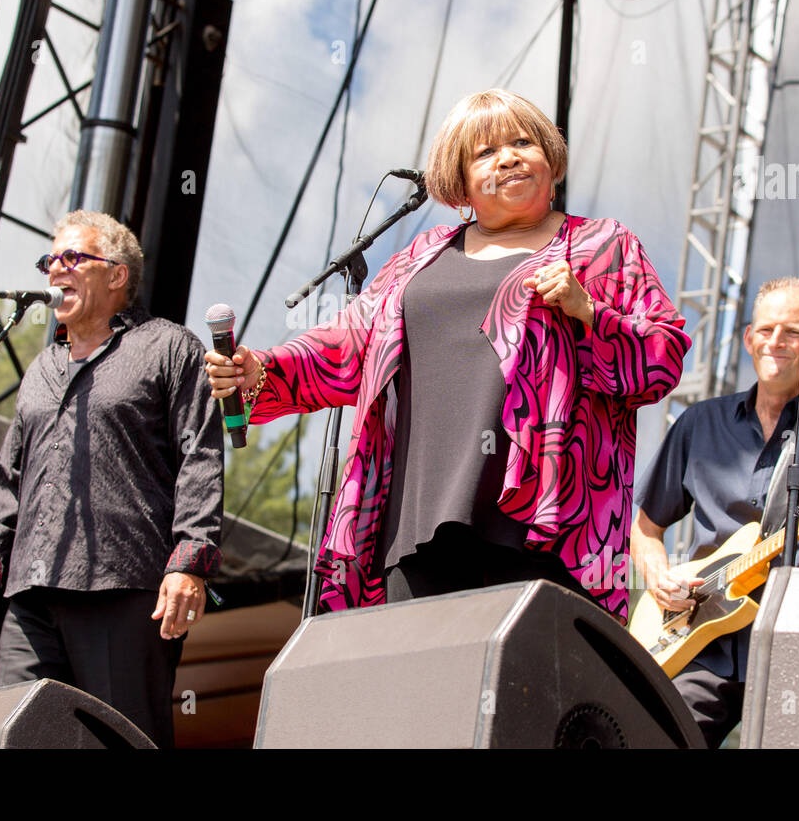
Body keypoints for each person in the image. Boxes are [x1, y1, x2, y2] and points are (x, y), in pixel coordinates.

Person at [205, 89, 690, 621]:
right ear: (460, 184)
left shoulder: (603, 245)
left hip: (547, 523)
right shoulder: (422, 255)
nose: (508, 157)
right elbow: (348, 344)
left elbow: (661, 359)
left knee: (524, 688)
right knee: (421, 689)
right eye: (485, 152)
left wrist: (589, 311)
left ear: (551, 160)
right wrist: (262, 370)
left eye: (523, 142)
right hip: (417, 512)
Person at [0, 210, 223, 749]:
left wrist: (191, 559)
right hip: (31, 595)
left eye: (73, 258)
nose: (56, 270)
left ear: (117, 275)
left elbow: (200, 454)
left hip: (124, 587)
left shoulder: (167, 346)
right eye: (50, 260)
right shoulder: (40, 370)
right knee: (20, 737)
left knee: (121, 741)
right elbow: (7, 484)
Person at [630, 277, 799, 747]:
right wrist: (658, 576)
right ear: (749, 337)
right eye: (767, 330)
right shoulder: (699, 423)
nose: (776, 342)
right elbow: (645, 527)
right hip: (698, 642)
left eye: (793, 332)